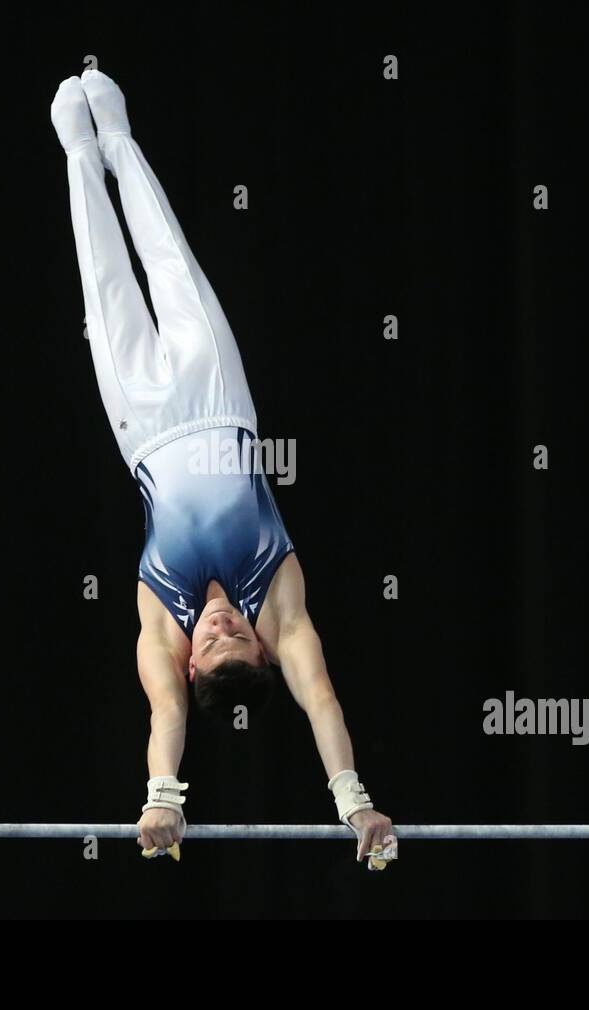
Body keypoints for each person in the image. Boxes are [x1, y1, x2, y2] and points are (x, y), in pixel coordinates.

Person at [50, 69, 396, 869]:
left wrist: (160, 801)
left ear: (195, 659)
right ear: (261, 646)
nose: (221, 624)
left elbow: (165, 713)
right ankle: (119, 139)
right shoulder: (281, 606)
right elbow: (322, 701)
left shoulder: (160, 628)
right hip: (216, 404)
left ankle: (76, 149)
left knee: (106, 289)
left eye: (215, 641)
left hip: (140, 429)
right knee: (170, 263)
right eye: (239, 635)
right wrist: (357, 804)